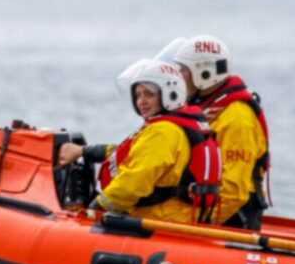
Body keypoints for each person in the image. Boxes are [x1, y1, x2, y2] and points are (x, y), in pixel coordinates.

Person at [56, 58, 222, 224]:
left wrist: (95, 208)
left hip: (161, 221)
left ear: (171, 94)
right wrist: (84, 151)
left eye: (149, 95)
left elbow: (133, 183)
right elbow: (132, 153)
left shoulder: (163, 131)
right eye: (138, 95)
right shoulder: (178, 126)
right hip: (177, 219)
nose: (141, 101)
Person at [159, 34, 271, 229]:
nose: (177, 76)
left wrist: (202, 225)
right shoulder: (204, 105)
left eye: (183, 70)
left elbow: (233, 192)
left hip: (232, 218)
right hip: (200, 205)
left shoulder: (236, 118)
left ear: (204, 73)